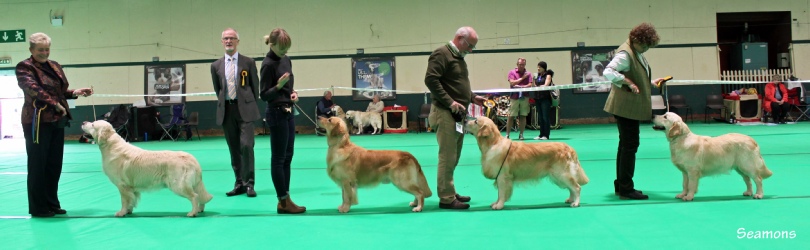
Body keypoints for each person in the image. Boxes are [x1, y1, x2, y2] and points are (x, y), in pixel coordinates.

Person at [16, 32, 93, 217]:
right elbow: (33, 89)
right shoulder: (24, 67)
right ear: (31, 50)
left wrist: (75, 92)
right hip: (37, 121)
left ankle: (52, 203)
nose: (44, 53)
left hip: (57, 120)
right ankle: (38, 207)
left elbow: (60, 91)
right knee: (38, 165)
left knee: (53, 164)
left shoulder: (55, 65)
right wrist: (55, 103)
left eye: (47, 49)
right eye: (40, 49)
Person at [602, 23, 666, 200]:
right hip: (625, 107)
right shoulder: (625, 54)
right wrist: (627, 82)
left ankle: (621, 184)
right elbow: (608, 72)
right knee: (630, 145)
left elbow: (637, 73)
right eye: (645, 45)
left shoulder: (635, 51)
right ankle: (626, 188)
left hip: (626, 106)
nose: (646, 49)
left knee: (625, 145)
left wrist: (650, 82)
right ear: (636, 40)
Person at [424, 26, 486, 209]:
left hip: (457, 115)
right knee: (447, 156)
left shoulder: (458, 57)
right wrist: (450, 102)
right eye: (470, 45)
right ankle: (446, 198)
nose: (471, 50)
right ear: (460, 38)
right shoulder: (441, 54)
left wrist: (472, 97)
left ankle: (449, 189)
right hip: (445, 113)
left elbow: (456, 83)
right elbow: (431, 80)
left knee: (454, 156)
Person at [259, 27, 306, 214]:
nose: (285, 52)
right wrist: (279, 86)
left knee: (288, 157)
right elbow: (264, 95)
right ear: (272, 44)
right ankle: (283, 201)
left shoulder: (286, 60)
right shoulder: (267, 64)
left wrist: (292, 94)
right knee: (278, 159)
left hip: (288, 111)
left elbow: (289, 86)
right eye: (281, 48)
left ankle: (286, 198)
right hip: (276, 113)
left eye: (287, 48)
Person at [210, 28, 261, 197]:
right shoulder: (215, 65)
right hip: (227, 110)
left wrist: (247, 102)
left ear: (238, 41)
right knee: (234, 148)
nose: (228, 41)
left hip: (245, 109)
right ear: (222, 41)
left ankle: (249, 183)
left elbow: (255, 87)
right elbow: (218, 90)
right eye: (225, 38)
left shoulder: (248, 62)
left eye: (232, 38)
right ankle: (239, 182)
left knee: (246, 146)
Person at [506, 58, 532, 140]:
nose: (521, 66)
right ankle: (507, 135)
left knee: (523, 115)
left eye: (523, 64)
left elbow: (530, 84)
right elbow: (512, 83)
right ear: (517, 64)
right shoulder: (512, 72)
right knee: (511, 116)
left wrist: (521, 86)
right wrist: (523, 78)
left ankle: (521, 134)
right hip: (514, 97)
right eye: (520, 64)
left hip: (525, 96)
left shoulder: (529, 73)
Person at [533, 61, 554, 140]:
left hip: (545, 99)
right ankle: (541, 134)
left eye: (540, 67)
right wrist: (533, 80)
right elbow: (534, 86)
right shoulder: (537, 76)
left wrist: (540, 86)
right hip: (537, 98)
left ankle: (546, 135)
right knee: (540, 118)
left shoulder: (548, 75)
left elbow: (546, 84)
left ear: (544, 68)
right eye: (538, 67)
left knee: (545, 117)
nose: (538, 68)